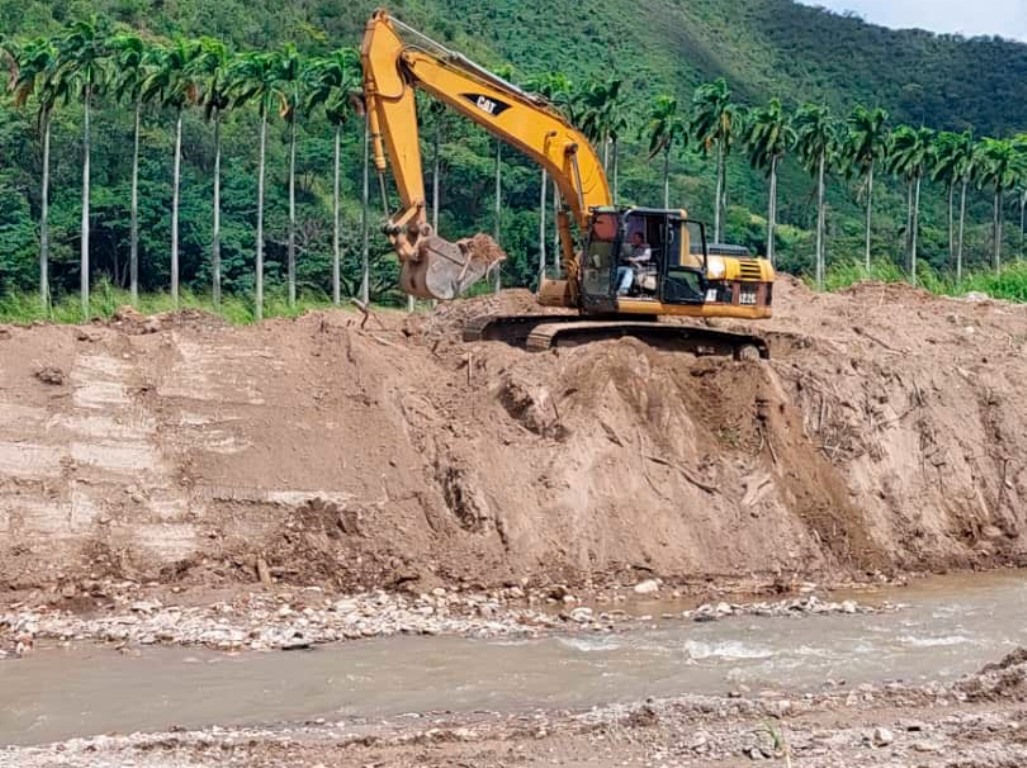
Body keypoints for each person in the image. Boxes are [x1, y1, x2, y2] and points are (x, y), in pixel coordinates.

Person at [616, 231, 652, 295]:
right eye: (633, 238)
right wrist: (626, 258)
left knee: (629, 271)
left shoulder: (646, 247)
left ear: (641, 239)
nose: (634, 239)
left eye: (636, 238)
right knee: (618, 270)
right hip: (631, 266)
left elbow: (646, 257)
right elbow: (625, 255)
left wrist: (635, 259)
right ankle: (613, 287)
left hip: (641, 268)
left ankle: (624, 289)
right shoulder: (632, 247)